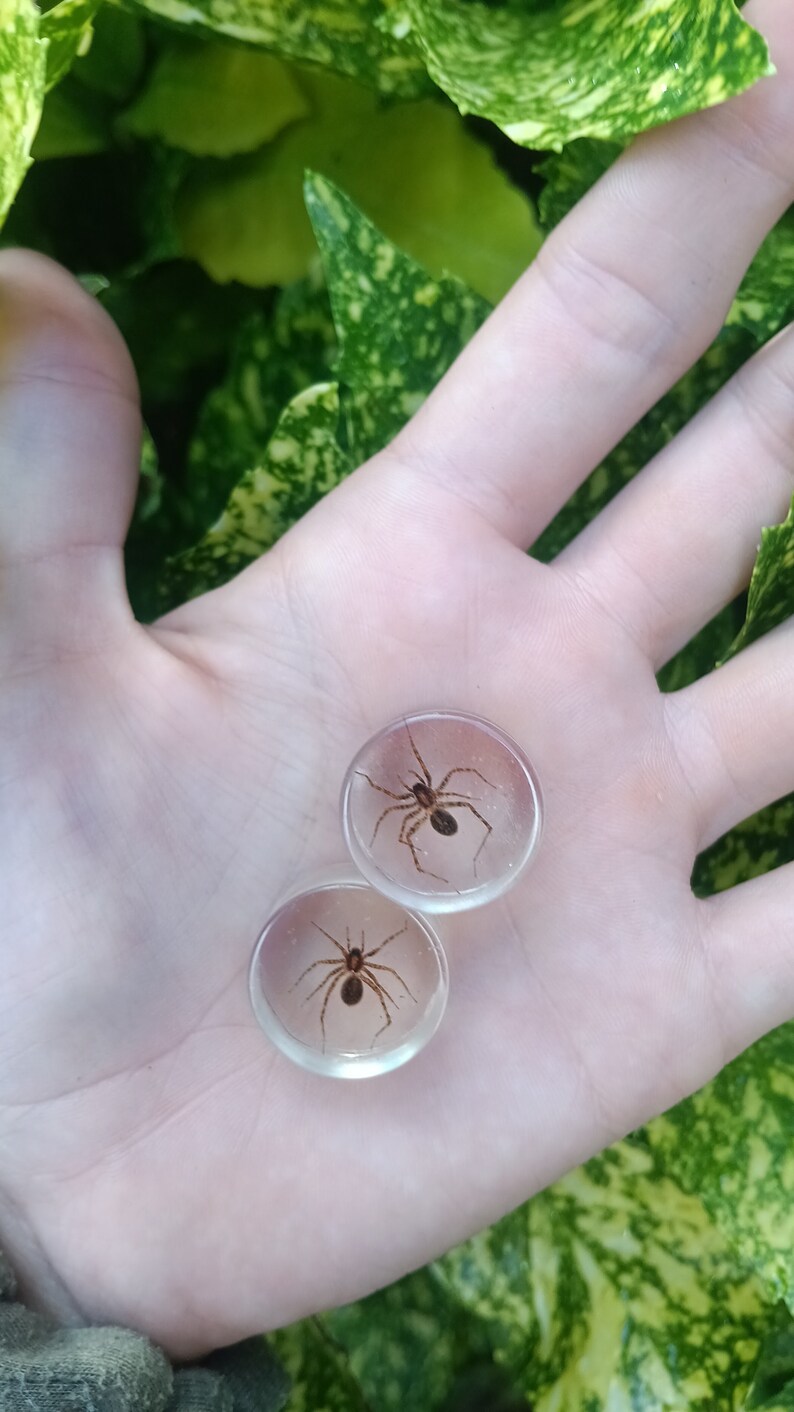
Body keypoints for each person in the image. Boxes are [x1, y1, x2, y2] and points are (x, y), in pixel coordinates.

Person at [0, 0, 792, 1398]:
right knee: (400, 881)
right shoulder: (357, 933)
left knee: (419, 846)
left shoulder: (406, 853)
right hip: (356, 950)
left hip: (380, 920)